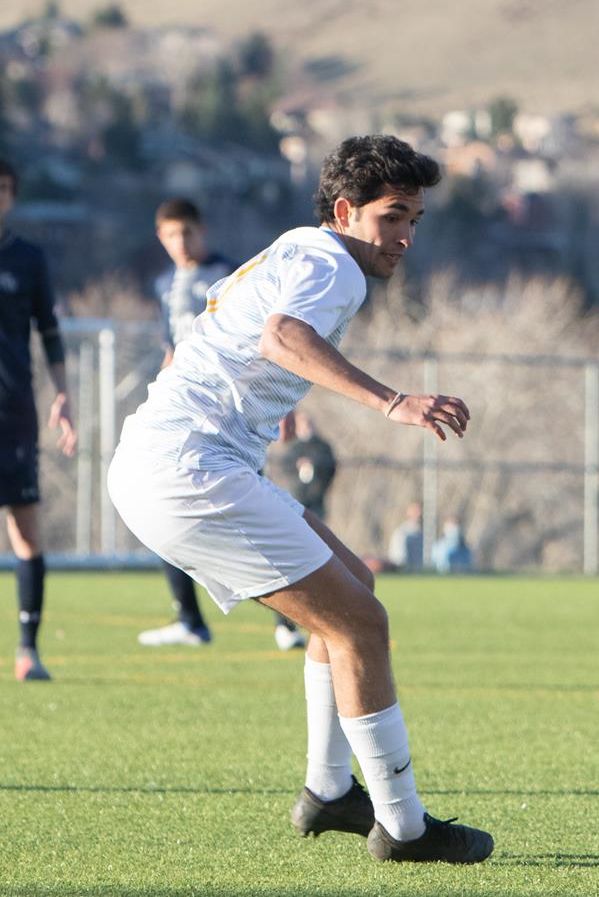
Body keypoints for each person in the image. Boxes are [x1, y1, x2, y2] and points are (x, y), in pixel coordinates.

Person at [107, 135, 491, 863]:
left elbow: (258, 335)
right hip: (188, 470)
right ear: (345, 212)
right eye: (392, 218)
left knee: (353, 589)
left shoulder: (301, 245)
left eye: (414, 220)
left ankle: (326, 789)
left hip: (176, 461)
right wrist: (392, 401)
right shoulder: (334, 265)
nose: (406, 237)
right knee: (364, 626)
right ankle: (404, 828)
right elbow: (282, 335)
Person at [135, 198, 307, 651]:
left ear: (202, 230)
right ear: (161, 238)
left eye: (187, 232)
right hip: (184, 418)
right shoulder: (162, 285)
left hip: (232, 418)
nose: (181, 242)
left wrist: (283, 406)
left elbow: (263, 343)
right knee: (167, 515)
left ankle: (288, 622)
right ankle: (190, 619)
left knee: (255, 516)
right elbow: (173, 349)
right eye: (171, 235)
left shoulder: (231, 274)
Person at [0, 156, 78, 683]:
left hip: (13, 414)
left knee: (25, 530)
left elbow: (49, 330)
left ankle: (28, 648)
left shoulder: (26, 259)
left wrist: (64, 394)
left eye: (3, 188)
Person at [275, 410, 338, 519]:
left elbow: (331, 467)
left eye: (308, 423)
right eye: (302, 423)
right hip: (297, 499)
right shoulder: (292, 447)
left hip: (317, 500)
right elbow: (284, 469)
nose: (306, 426)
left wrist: (314, 465)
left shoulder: (322, 446)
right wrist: (298, 465)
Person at [385, 502, 424, 571]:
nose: (419, 514)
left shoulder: (424, 532)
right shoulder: (402, 533)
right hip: (406, 571)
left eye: (420, 511)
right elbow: (399, 559)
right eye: (416, 512)